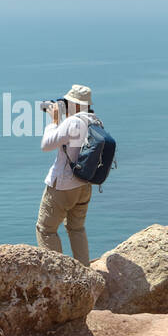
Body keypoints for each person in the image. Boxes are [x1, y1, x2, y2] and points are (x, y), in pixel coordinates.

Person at [36, 84, 101, 265]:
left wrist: (54, 121)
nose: (65, 104)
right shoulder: (94, 120)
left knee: (46, 229)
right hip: (84, 185)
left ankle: (58, 272)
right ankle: (84, 270)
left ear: (76, 104)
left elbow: (46, 145)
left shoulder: (72, 122)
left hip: (64, 186)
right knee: (76, 228)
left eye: (68, 102)